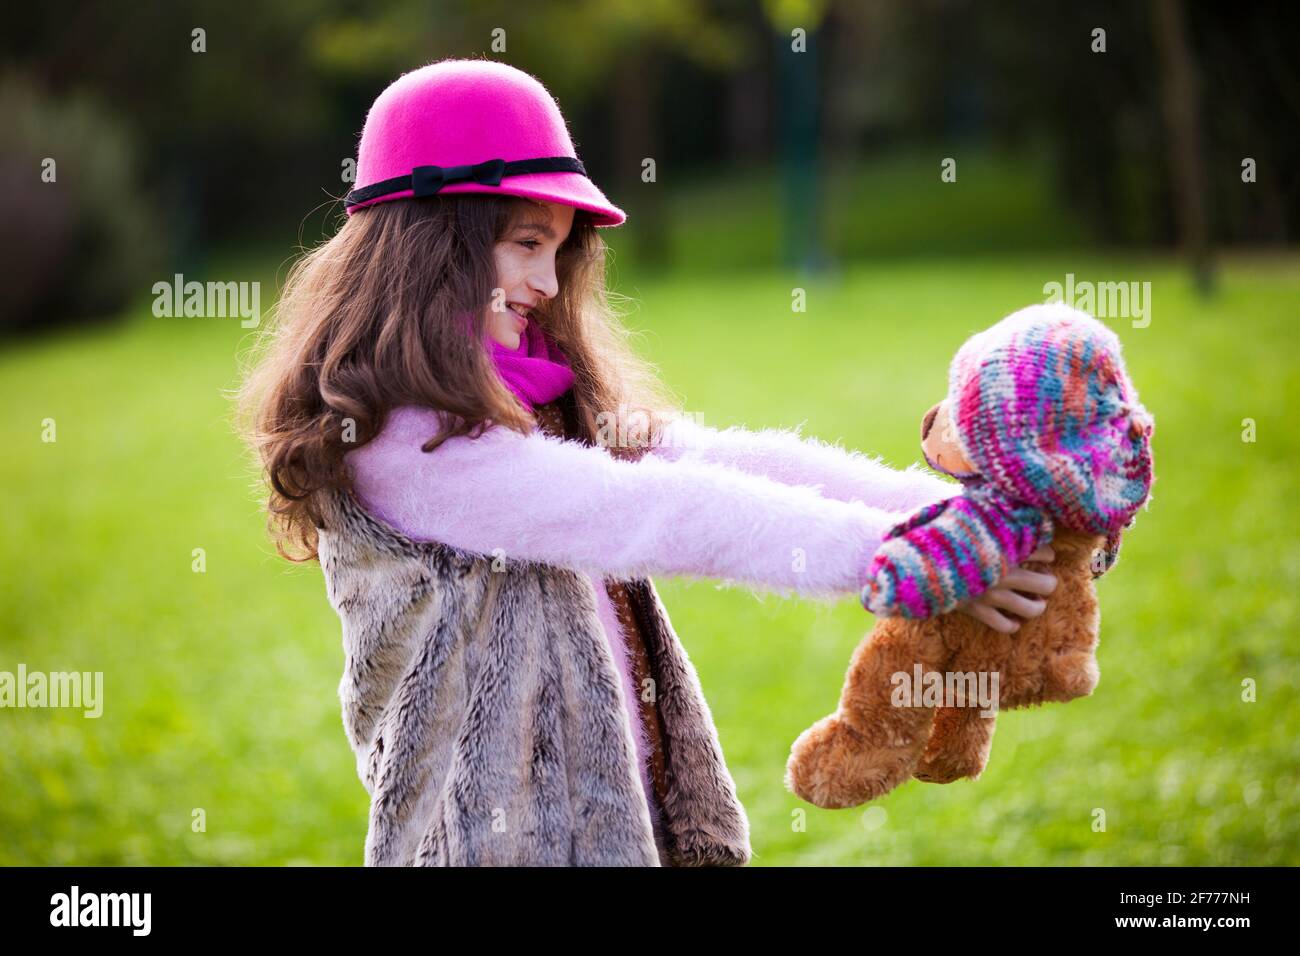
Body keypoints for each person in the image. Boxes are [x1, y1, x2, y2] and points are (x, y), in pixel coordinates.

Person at [238, 57, 1056, 867]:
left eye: (557, 251)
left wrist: (947, 517)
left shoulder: (539, 396)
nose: (548, 282)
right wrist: (924, 561)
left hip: (617, 816)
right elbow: (646, 510)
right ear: (435, 242)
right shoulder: (404, 441)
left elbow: (721, 460)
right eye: (527, 243)